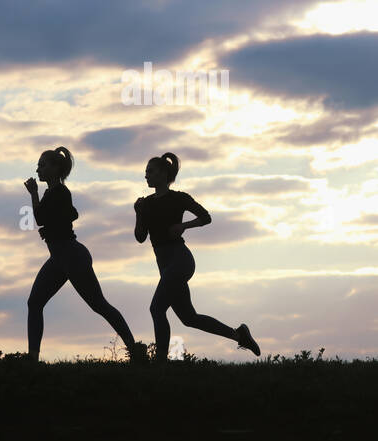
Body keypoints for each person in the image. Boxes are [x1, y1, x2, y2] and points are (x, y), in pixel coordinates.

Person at [135, 152, 260, 361]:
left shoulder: (179, 198)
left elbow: (206, 217)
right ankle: (239, 335)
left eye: (151, 171)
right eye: (145, 172)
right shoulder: (145, 204)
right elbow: (140, 237)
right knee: (189, 318)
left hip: (180, 261)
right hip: (165, 265)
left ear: (164, 174)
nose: (146, 176)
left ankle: (160, 362)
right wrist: (138, 213)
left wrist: (183, 226)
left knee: (156, 308)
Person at [24, 147, 143, 363]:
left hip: (72, 255)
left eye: (42, 165)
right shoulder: (52, 192)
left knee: (98, 304)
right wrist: (51, 227)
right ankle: (32, 359)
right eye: (38, 165)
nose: (38, 169)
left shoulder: (60, 191)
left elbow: (49, 216)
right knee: (34, 303)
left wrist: (34, 195)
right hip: (58, 259)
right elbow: (53, 218)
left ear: (56, 168)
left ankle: (135, 350)